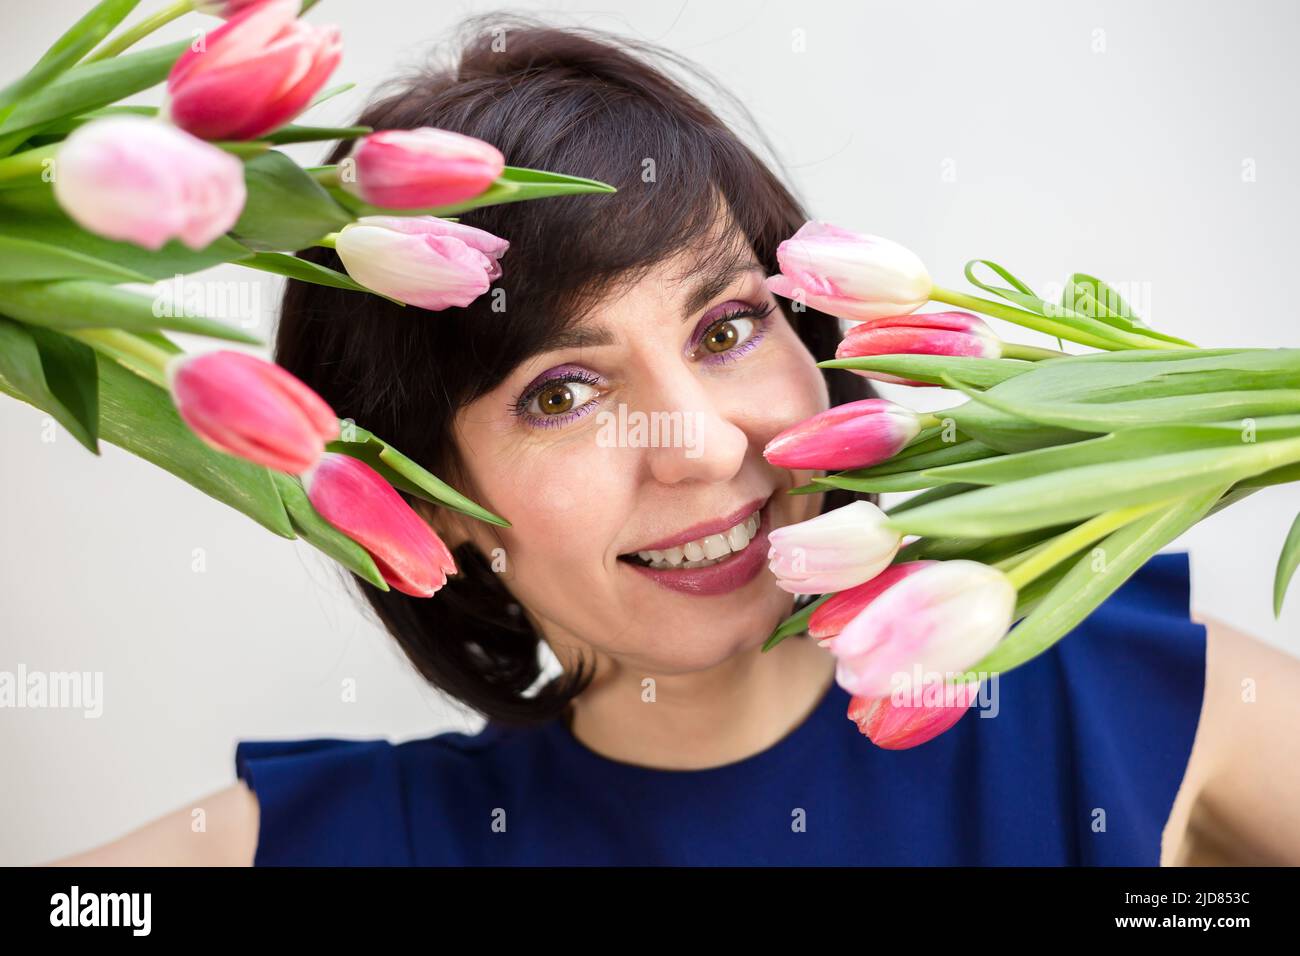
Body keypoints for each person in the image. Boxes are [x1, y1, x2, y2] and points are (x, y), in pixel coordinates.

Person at [55, 15, 1300, 867]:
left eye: (726, 326)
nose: (700, 448)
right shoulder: (377, 837)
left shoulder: (1106, 695)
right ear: (436, 499)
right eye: (560, 393)